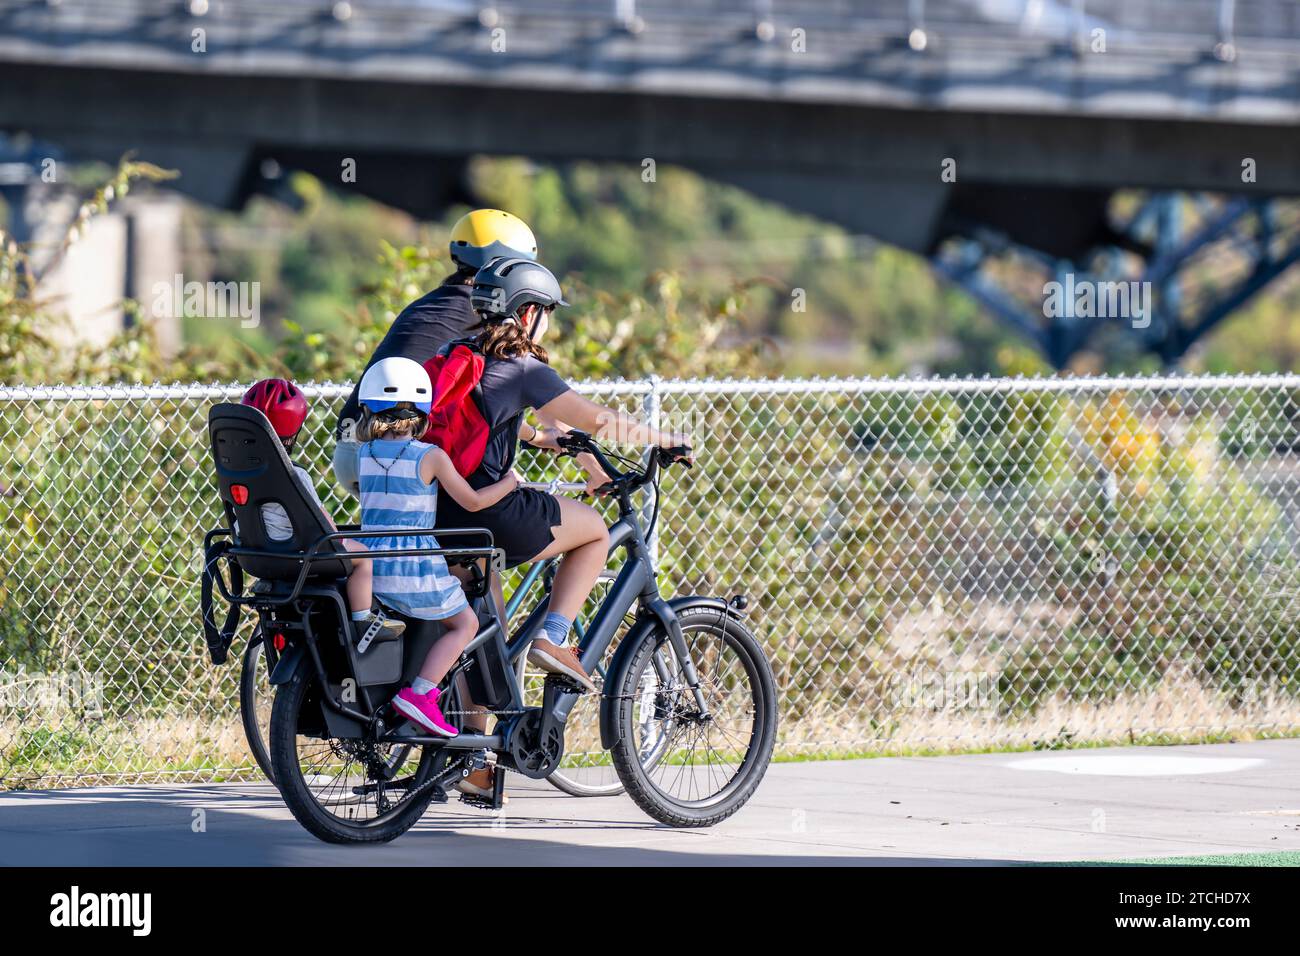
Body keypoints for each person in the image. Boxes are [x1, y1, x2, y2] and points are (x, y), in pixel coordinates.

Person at [439, 257, 693, 699]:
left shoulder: (455, 355)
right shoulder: (521, 366)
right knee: (594, 531)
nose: (548, 326)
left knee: (485, 652)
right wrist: (664, 438)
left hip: (441, 511)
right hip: (491, 512)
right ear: (528, 313)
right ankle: (553, 639)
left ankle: (474, 759)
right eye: (548, 313)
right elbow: (596, 419)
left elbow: (475, 420)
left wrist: (539, 436)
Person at [352, 357, 520, 736]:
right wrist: (511, 482)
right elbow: (473, 502)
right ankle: (422, 693)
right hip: (414, 567)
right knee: (465, 623)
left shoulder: (365, 454)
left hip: (375, 566)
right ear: (423, 409)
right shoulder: (430, 456)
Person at [333, 209, 540, 496]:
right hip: (398, 453)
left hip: (354, 448)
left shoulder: (434, 303)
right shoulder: (483, 313)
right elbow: (503, 398)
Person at [240, 378, 404, 647]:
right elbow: (319, 518)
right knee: (363, 557)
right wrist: (336, 536)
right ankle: (363, 620)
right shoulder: (295, 475)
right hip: (302, 552)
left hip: (258, 552)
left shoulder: (243, 474)